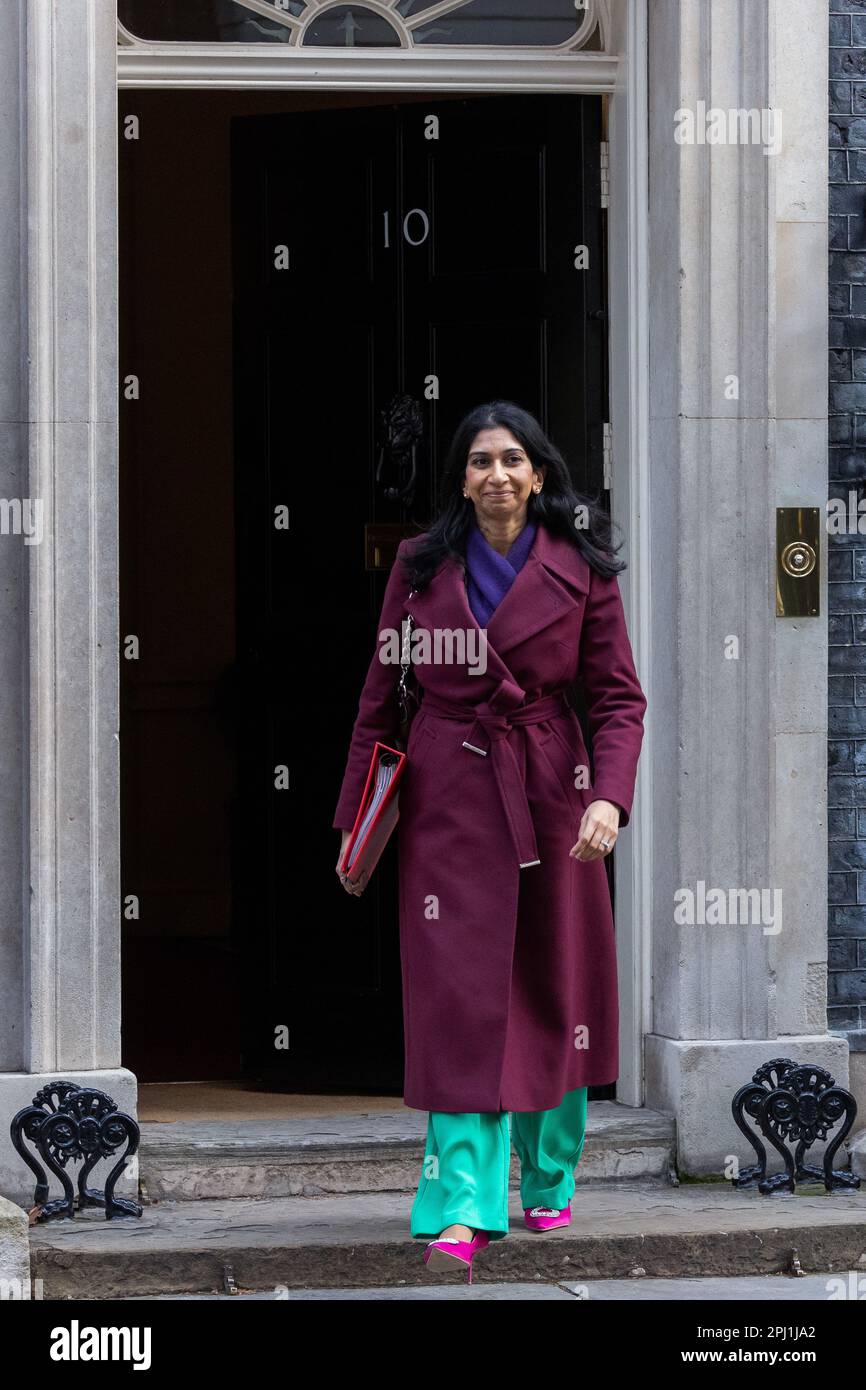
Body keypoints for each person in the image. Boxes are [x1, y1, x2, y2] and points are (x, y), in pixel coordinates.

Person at [333, 400, 647, 1282]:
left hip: (555, 790)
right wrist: (355, 821)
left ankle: (551, 1168)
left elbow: (619, 699)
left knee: (556, 985)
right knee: (460, 1001)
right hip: (449, 796)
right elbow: (378, 695)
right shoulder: (419, 566)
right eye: (479, 462)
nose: (497, 475)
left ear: (540, 474)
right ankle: (462, 1205)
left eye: (513, 460)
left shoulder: (583, 566)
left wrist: (610, 801)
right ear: (461, 480)